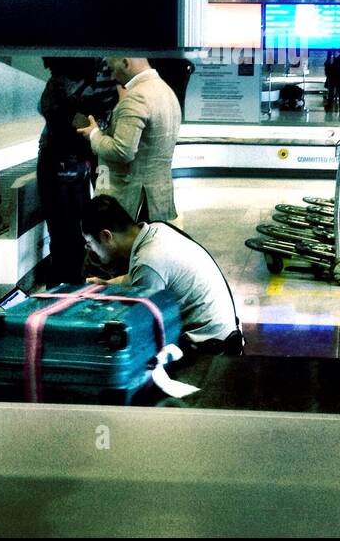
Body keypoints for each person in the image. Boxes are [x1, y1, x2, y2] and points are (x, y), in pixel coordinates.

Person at [81, 195, 243, 358]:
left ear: (106, 236)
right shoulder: (157, 230)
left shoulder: (148, 261)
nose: (90, 250)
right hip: (225, 333)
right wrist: (106, 284)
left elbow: (142, 327)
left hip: (211, 351)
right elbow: (137, 277)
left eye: (89, 243)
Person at [36, 57, 118, 284]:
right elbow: (58, 115)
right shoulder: (65, 84)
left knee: (70, 236)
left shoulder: (64, 84)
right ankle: (66, 293)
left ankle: (67, 292)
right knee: (69, 237)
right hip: (67, 162)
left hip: (71, 162)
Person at [77, 57, 182, 222]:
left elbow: (122, 151)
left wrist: (94, 134)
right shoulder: (166, 91)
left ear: (125, 63)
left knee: (127, 248)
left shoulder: (136, 97)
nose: (112, 76)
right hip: (157, 198)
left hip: (130, 201)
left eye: (112, 69)